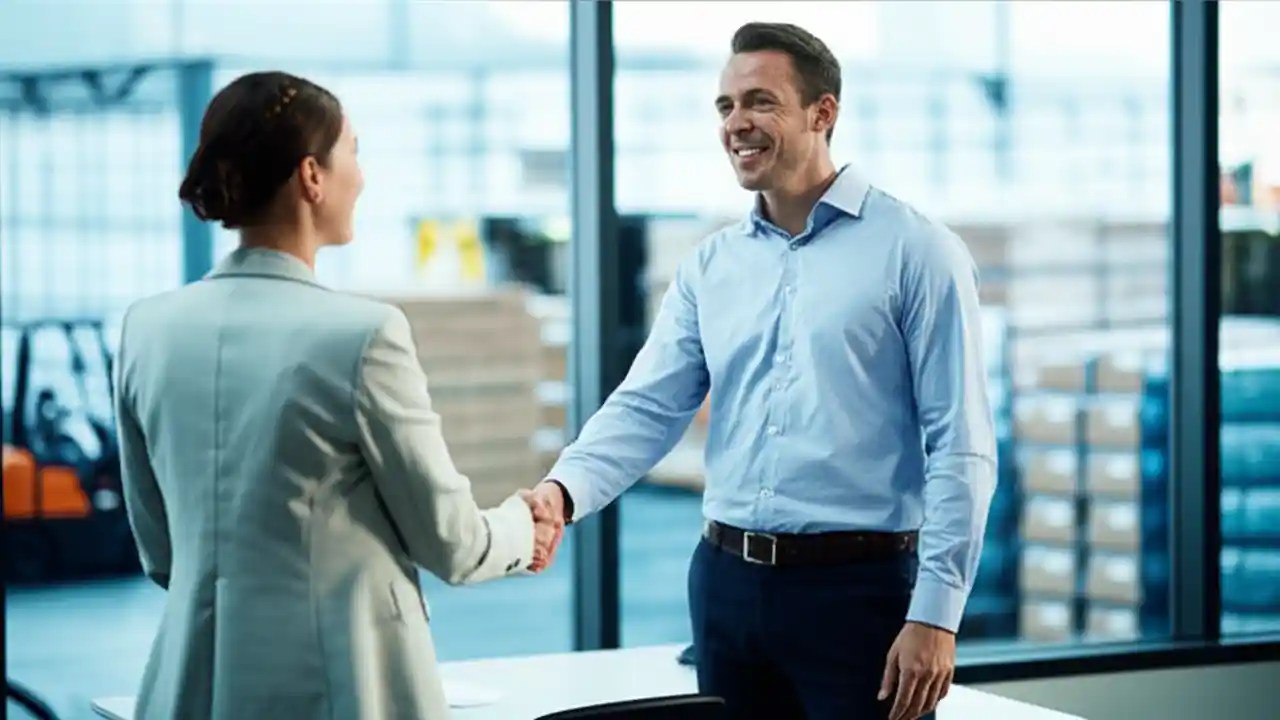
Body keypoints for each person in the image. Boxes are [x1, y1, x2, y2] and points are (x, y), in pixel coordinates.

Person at [529, 22, 996, 720]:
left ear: (823, 113)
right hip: (724, 585)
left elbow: (960, 444)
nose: (737, 124)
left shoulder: (918, 253)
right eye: (725, 106)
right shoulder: (711, 266)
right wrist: (563, 492)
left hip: (859, 595)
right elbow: (647, 408)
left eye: (759, 102)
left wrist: (937, 613)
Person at [114, 71, 562, 720]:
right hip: (334, 690)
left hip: (187, 689)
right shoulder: (360, 335)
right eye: (353, 150)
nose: (363, 174)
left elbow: (162, 553)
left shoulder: (147, 327)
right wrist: (526, 527)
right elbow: (454, 543)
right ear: (311, 176)